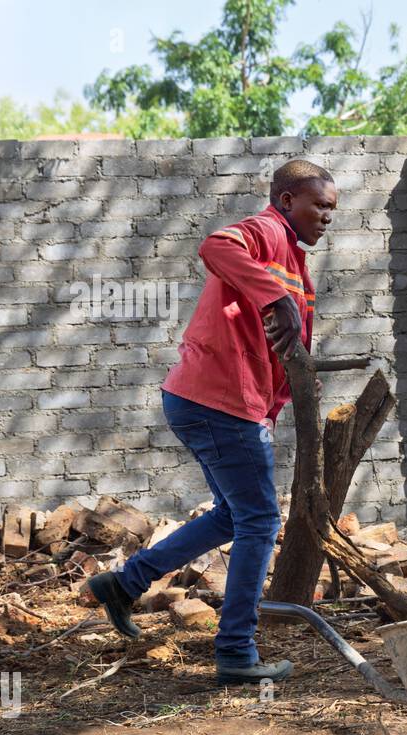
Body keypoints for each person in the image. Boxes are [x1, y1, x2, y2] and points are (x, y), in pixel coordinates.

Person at [84, 160, 338, 686]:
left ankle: (123, 585)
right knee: (260, 520)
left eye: (332, 209)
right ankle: (236, 652)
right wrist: (273, 296)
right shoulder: (267, 230)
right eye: (319, 205)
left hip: (209, 401)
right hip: (217, 401)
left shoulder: (295, 264)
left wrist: (283, 397)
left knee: (234, 515)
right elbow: (215, 246)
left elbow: (281, 350)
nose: (327, 217)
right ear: (288, 201)